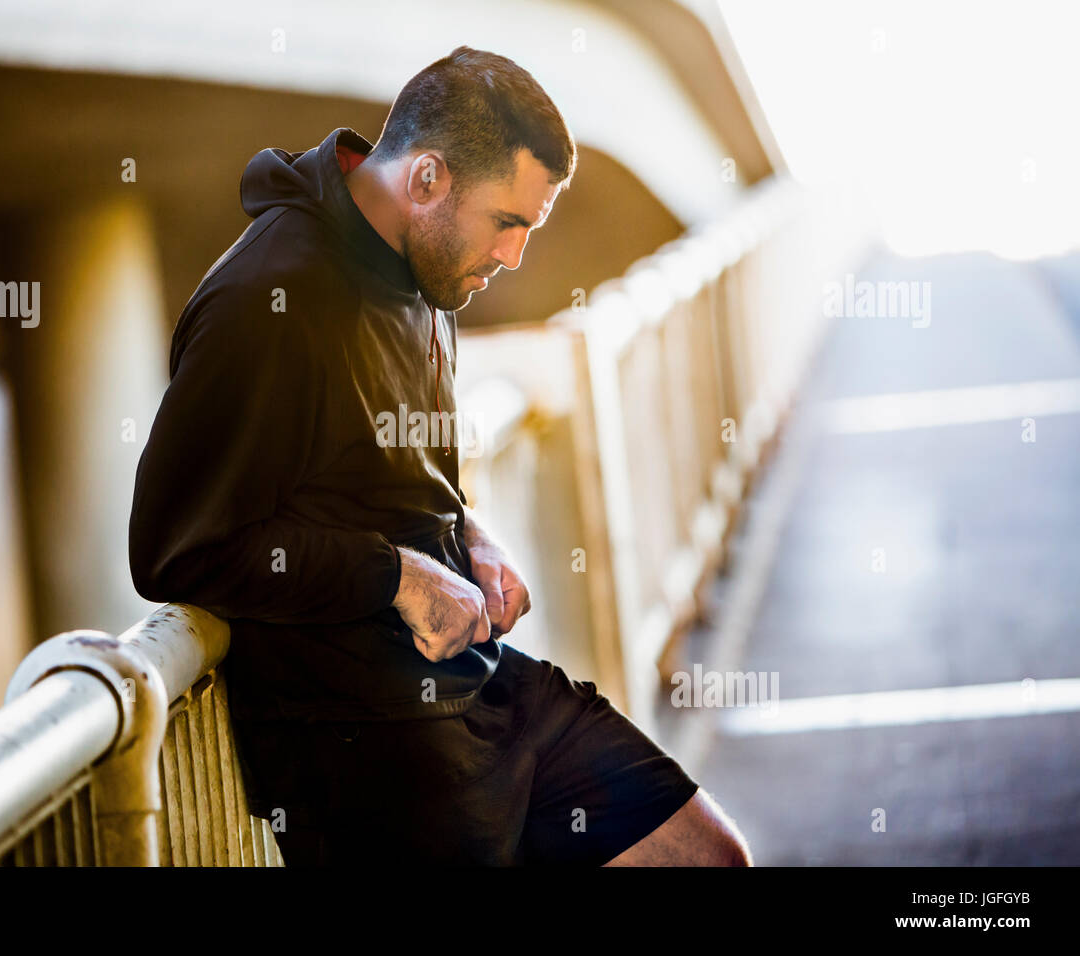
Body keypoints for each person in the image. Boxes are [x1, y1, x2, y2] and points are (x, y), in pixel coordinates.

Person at [129, 45, 751, 866]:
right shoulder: (266, 302)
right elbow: (176, 549)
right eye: (507, 223)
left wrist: (470, 533)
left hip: (482, 689)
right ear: (425, 180)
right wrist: (398, 576)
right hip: (372, 761)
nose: (515, 256)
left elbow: (381, 473)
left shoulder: (426, 273)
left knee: (707, 855)